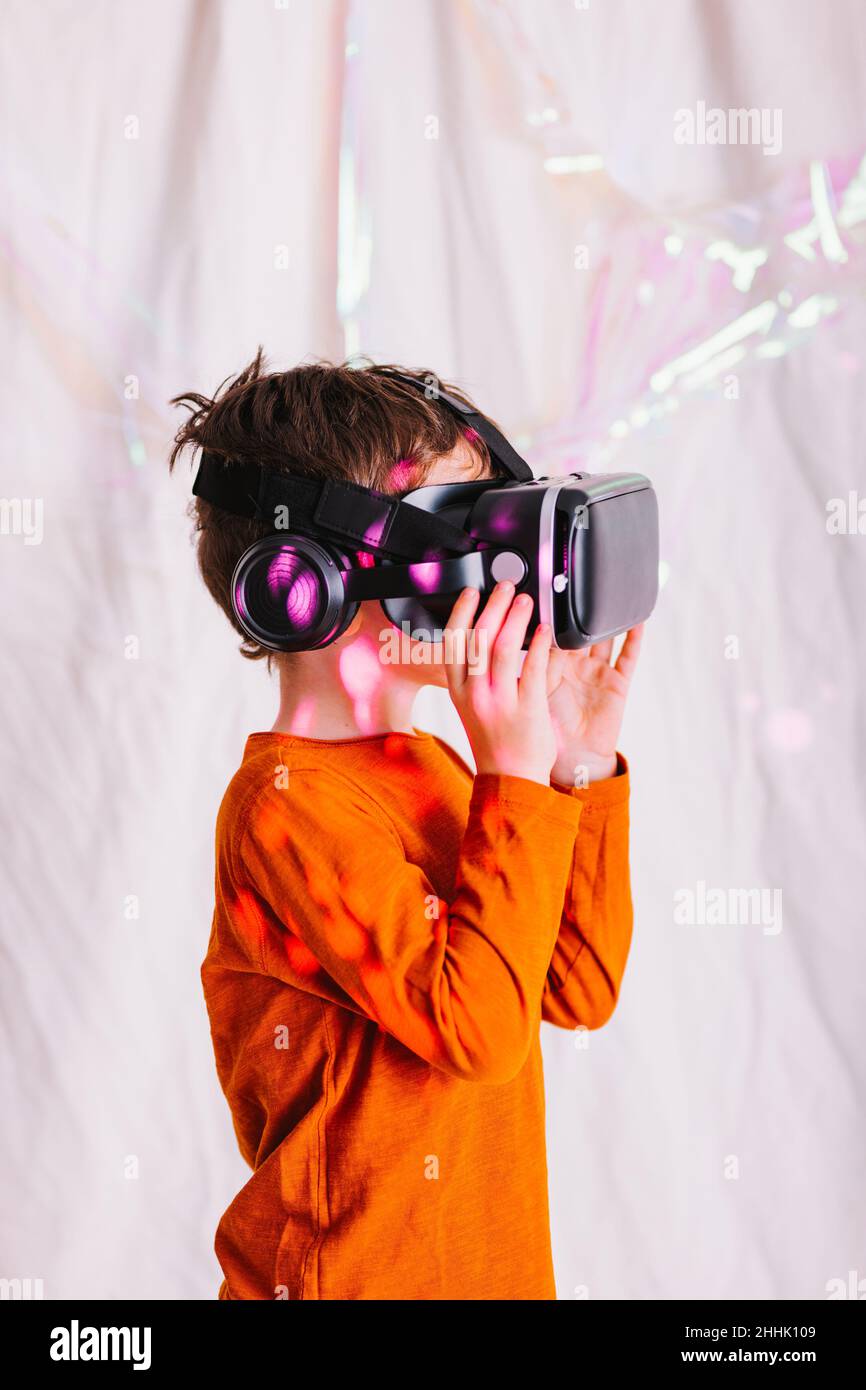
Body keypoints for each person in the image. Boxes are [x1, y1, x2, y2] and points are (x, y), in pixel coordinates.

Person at [169, 350, 644, 1300]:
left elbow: (576, 987)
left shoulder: (431, 767)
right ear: (309, 578)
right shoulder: (287, 805)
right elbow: (475, 1033)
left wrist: (571, 765)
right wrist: (511, 780)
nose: (485, 572)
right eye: (449, 532)